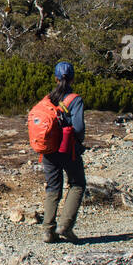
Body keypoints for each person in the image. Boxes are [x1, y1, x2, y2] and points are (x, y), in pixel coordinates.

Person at [43, 61, 86, 243]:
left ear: (55, 78)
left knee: (53, 187)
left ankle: (48, 231)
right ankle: (65, 227)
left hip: (48, 150)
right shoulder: (75, 99)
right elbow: (78, 127)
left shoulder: (47, 99)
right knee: (77, 184)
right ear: (73, 78)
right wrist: (79, 143)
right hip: (68, 150)